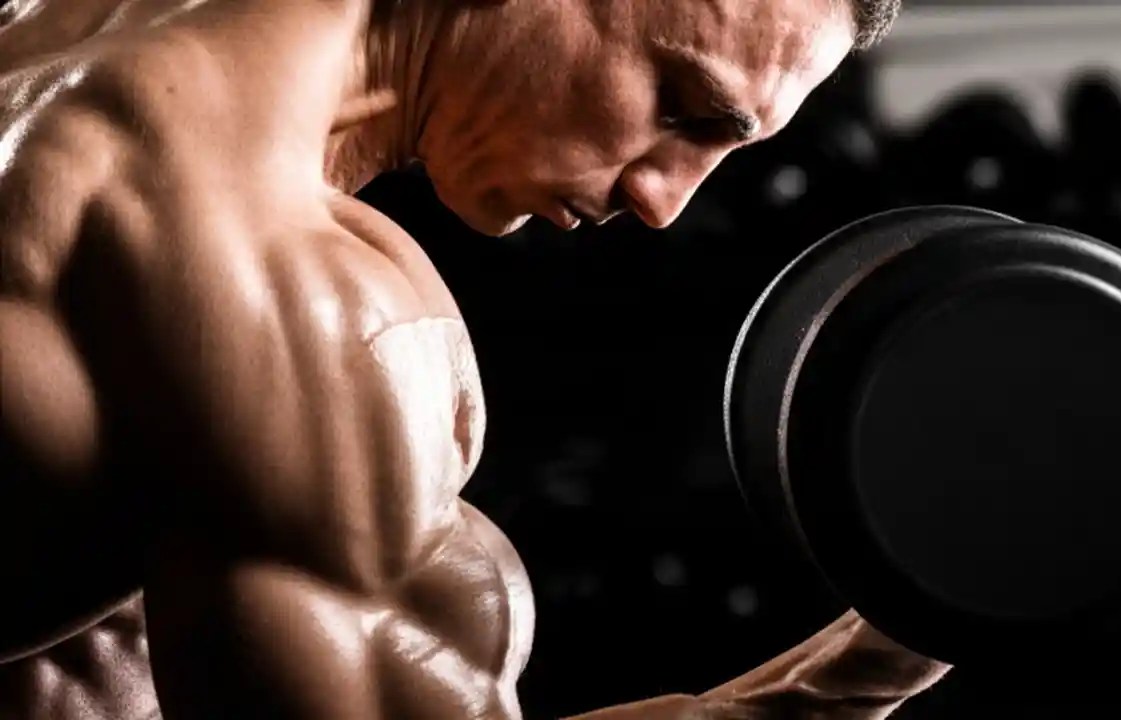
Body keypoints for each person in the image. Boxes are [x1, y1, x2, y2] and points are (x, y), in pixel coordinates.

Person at [0, 0, 950, 717]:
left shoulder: (58, 37)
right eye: (684, 105)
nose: (667, 202)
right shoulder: (286, 299)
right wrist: (855, 678)